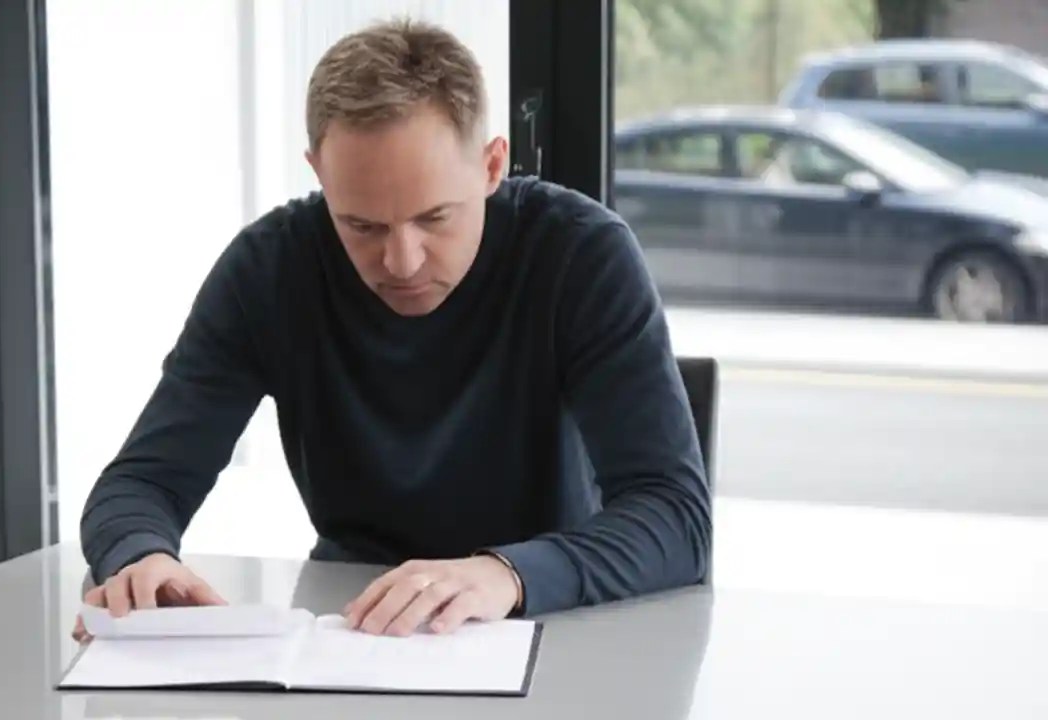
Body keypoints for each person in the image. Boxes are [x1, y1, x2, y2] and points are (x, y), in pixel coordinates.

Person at [74, 18, 710, 641]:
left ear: (492, 167)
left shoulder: (582, 256)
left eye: (435, 218)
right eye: (362, 226)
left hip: (551, 620)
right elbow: (142, 481)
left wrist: (504, 574)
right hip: (350, 633)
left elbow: (675, 519)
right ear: (319, 174)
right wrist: (137, 557)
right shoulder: (268, 270)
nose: (401, 263)